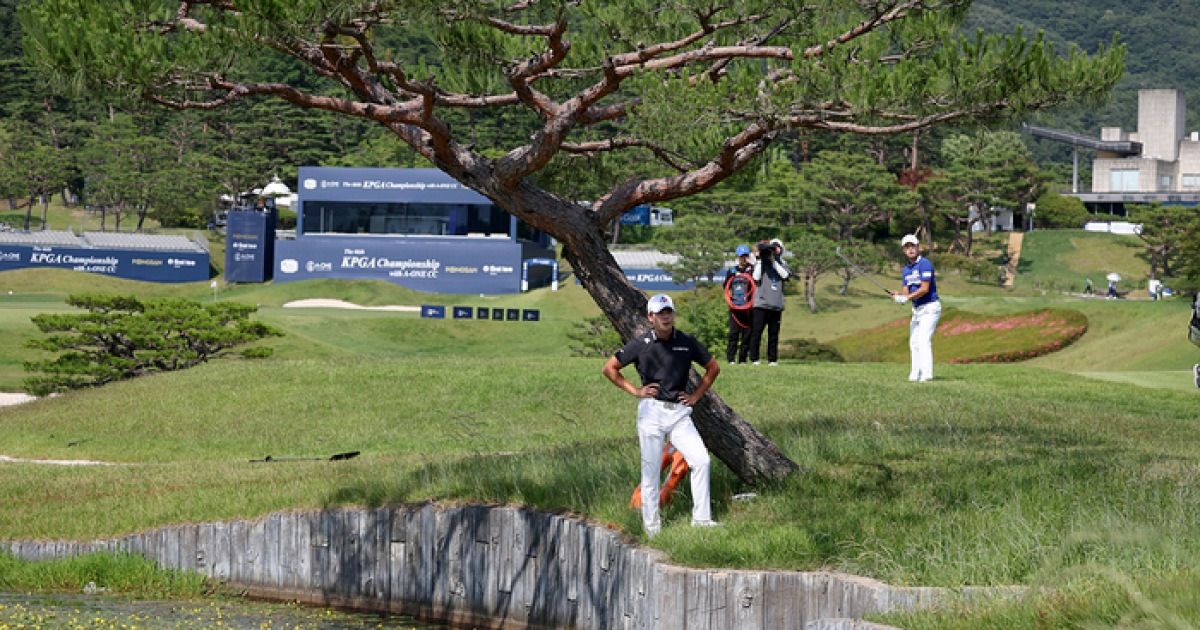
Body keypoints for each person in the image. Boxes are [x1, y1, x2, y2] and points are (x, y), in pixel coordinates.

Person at [602, 293, 721, 537]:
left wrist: (696, 396)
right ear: (650, 317)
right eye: (660, 313)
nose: (665, 317)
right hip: (652, 412)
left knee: (701, 460)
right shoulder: (641, 343)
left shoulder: (686, 342)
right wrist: (636, 390)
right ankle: (652, 529)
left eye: (668, 312)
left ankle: (701, 520)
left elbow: (713, 367)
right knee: (651, 469)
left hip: (679, 413)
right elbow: (609, 368)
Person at [891, 234, 941, 382]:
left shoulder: (925, 264)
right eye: (907, 247)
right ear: (903, 250)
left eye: (913, 246)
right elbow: (907, 291)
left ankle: (926, 374)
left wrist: (906, 298)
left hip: (930, 307)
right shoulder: (906, 270)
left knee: (924, 340)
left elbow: (925, 289)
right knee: (914, 342)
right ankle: (915, 374)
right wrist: (898, 295)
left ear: (918, 247)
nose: (910, 249)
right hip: (917, 309)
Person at [747, 238, 790, 366]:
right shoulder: (761, 264)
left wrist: (773, 262)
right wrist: (761, 260)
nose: (774, 250)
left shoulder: (782, 263)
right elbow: (756, 277)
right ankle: (754, 358)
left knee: (773, 334)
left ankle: (772, 359)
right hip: (761, 304)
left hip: (776, 305)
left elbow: (785, 275)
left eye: (776, 248)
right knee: (757, 332)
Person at [724, 244, 755, 364]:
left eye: (745, 256)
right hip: (735, 307)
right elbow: (726, 286)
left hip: (748, 307)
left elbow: (755, 283)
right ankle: (730, 359)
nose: (743, 259)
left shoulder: (752, 270)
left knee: (747, 334)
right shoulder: (731, 271)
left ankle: (742, 359)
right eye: (741, 256)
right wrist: (733, 275)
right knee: (733, 333)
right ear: (737, 257)